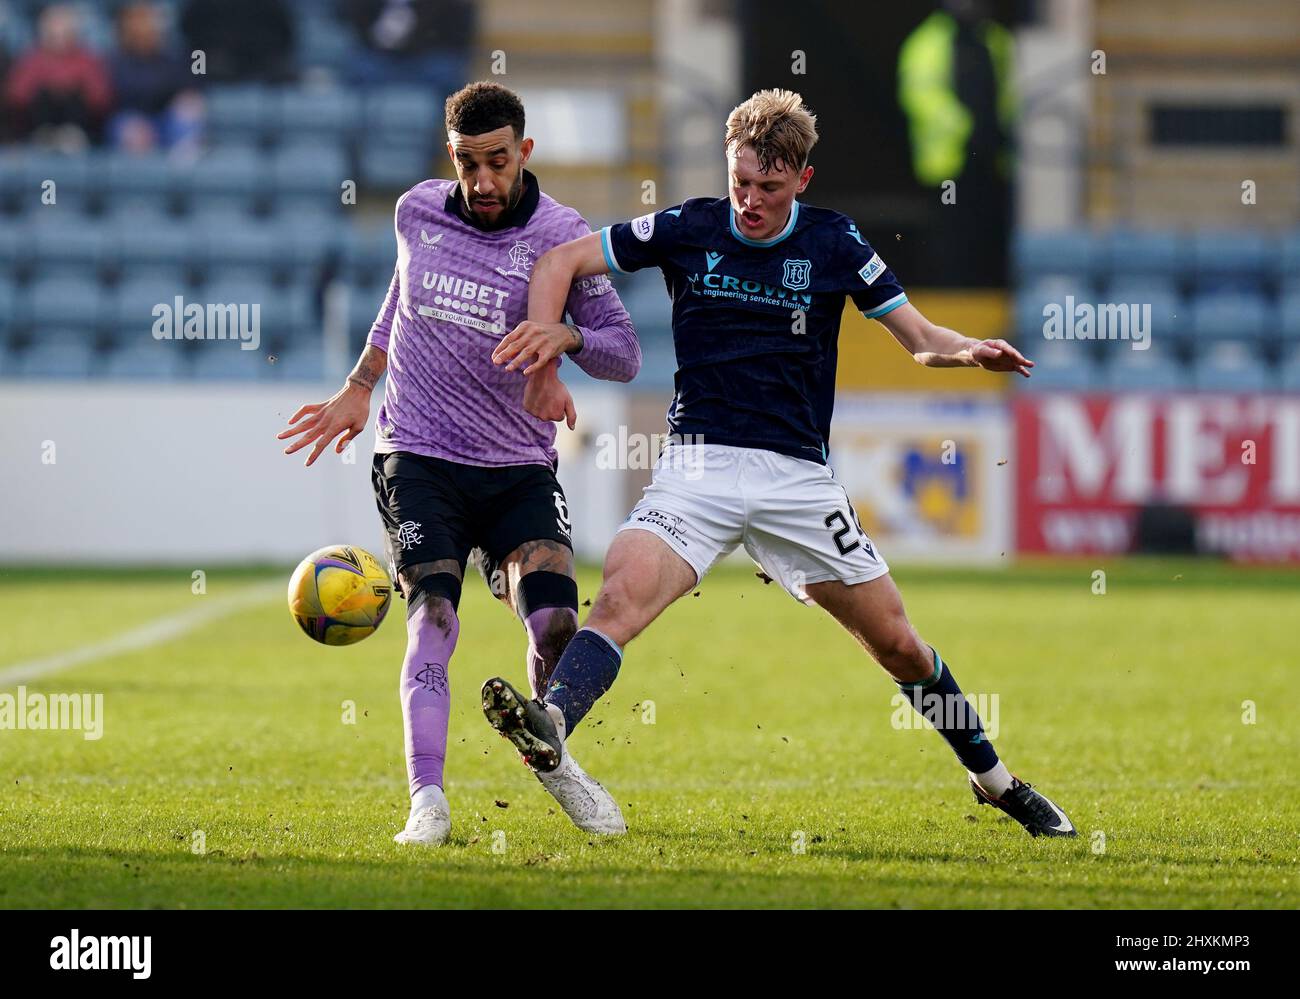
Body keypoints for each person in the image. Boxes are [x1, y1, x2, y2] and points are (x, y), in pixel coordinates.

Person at [482, 88, 1076, 839]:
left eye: (768, 186)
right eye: (740, 183)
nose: (750, 201)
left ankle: (996, 780)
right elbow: (562, 259)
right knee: (619, 601)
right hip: (697, 467)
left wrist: (968, 351)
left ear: (803, 179)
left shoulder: (834, 243)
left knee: (898, 643)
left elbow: (919, 337)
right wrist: (545, 351)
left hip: (796, 478)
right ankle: (551, 721)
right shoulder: (688, 225)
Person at [277, 82, 641, 847]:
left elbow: (624, 351)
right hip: (418, 455)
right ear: (451, 156)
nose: (482, 181)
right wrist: (357, 386)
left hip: (515, 464)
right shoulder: (416, 212)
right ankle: (428, 804)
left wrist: (566, 340)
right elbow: (398, 299)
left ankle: (556, 758)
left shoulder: (564, 234)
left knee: (556, 623)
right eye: (467, 163)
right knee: (432, 619)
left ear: (525, 153)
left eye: (497, 162)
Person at [4, 4, 112, 149]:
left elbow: (100, 98)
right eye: (54, 32)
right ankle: (45, 136)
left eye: (64, 32)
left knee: (73, 94)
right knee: (45, 94)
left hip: (78, 126)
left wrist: (70, 85)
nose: (59, 37)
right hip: (40, 125)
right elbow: (16, 96)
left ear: (73, 33)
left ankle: (72, 135)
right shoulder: (33, 59)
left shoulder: (87, 59)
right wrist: (47, 83)